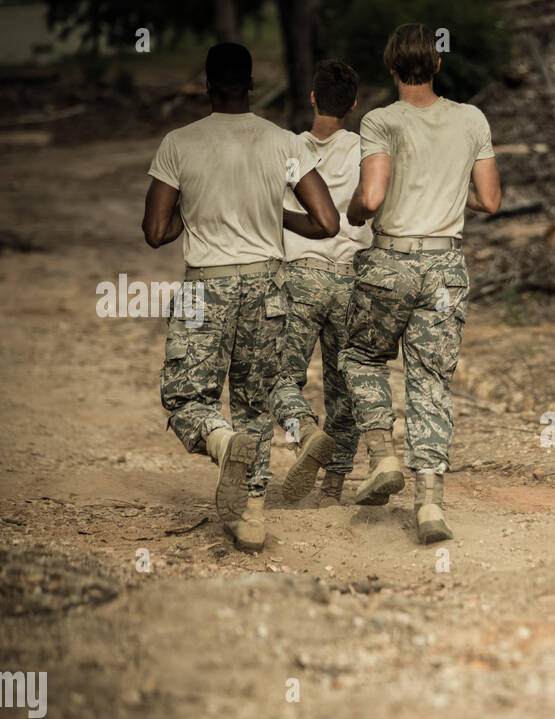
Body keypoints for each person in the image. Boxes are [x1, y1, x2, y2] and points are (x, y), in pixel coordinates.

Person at [143, 42, 339, 552]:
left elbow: (155, 231)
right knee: (255, 399)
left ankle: (220, 440)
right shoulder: (282, 142)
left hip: (205, 284)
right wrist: (272, 217)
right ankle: (251, 514)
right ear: (250, 86)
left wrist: (198, 212)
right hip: (268, 283)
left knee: (186, 395)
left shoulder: (178, 143)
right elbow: (327, 222)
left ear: (207, 86)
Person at [342, 23, 501, 544]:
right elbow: (491, 200)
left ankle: (383, 455)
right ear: (437, 66)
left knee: (362, 357)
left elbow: (371, 196)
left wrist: (354, 210)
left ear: (391, 69)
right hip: (445, 270)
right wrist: (451, 193)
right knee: (430, 381)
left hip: (392, 263)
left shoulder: (381, 121)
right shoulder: (471, 119)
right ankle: (430, 503)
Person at [272, 59, 372, 508]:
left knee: (280, 378)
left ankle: (303, 432)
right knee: (342, 386)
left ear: (312, 98)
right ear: (352, 105)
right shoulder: (366, 148)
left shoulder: (286, 148)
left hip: (300, 276)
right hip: (350, 280)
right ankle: (333, 488)